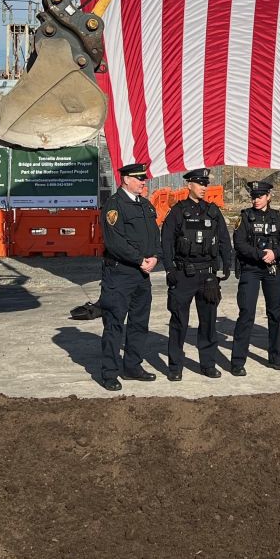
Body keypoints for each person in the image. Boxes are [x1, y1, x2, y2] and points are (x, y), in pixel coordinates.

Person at [94, 162, 160, 392]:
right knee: (114, 325)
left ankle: (132, 366)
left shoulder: (145, 205)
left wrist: (155, 257)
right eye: (139, 178)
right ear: (125, 180)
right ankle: (110, 373)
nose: (143, 182)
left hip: (142, 274)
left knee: (139, 323)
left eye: (144, 179)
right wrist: (140, 260)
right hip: (120, 274)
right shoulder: (114, 205)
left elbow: (154, 234)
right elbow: (115, 242)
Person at [161, 168, 232, 380]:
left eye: (205, 184)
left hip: (208, 276)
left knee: (208, 322)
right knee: (179, 323)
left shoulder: (213, 211)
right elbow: (166, 243)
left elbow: (223, 240)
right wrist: (169, 269)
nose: (203, 187)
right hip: (184, 275)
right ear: (189, 185)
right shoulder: (178, 211)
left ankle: (208, 364)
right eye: (200, 184)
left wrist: (226, 264)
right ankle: (175, 367)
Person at [231, 178, 280, 374]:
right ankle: (237, 362)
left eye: (260, 196)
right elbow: (239, 243)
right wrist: (260, 254)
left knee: (275, 314)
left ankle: (276, 358)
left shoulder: (277, 218)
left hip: (272, 269)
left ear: (268, 197)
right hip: (251, 268)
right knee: (246, 313)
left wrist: (275, 253)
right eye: (253, 197)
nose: (256, 200)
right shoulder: (245, 217)